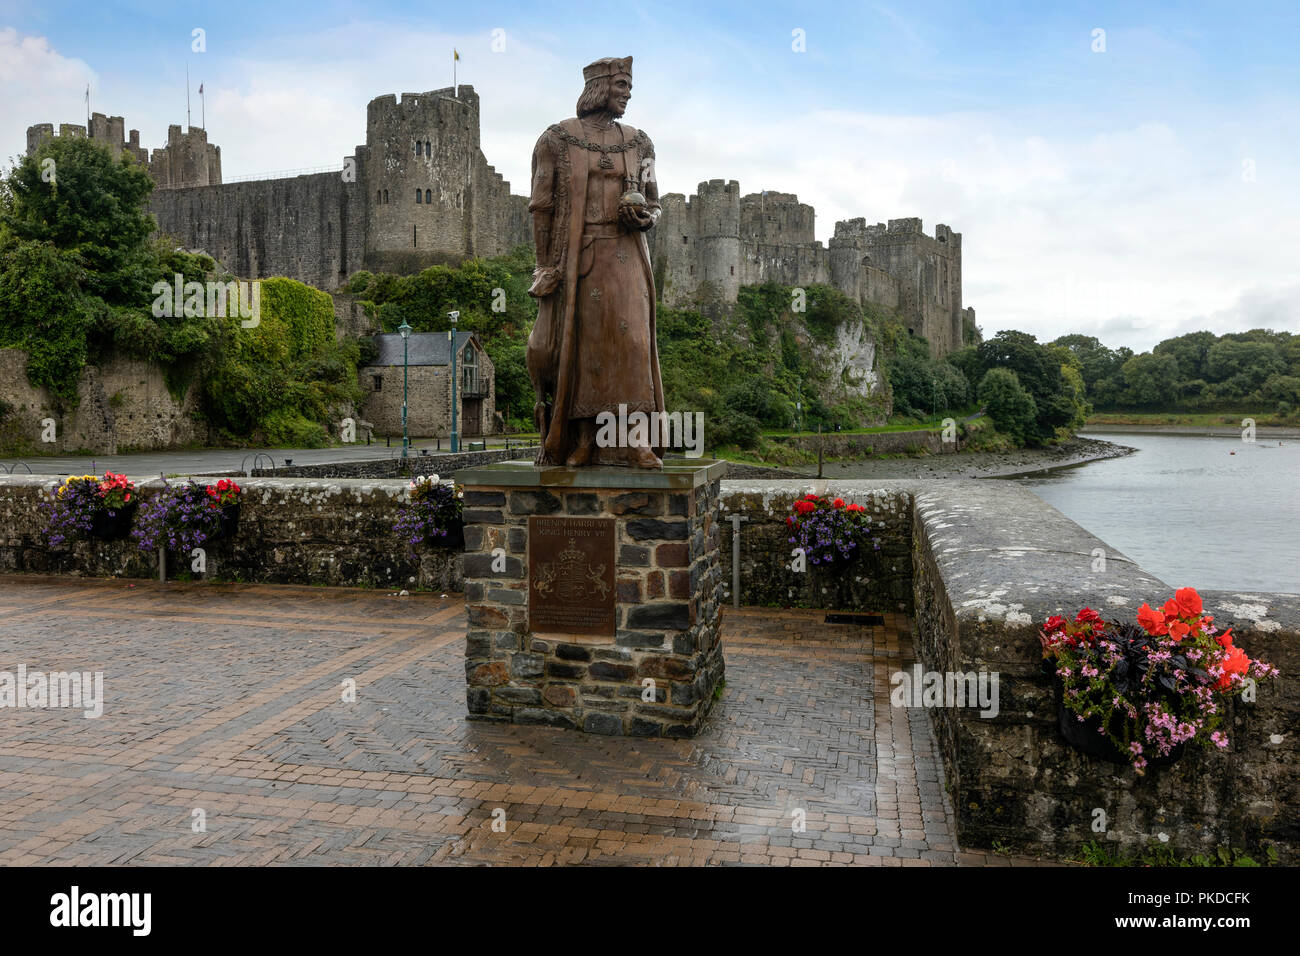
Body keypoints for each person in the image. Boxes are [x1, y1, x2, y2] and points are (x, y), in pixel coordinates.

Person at [525, 55, 667, 468]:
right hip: (580, 260)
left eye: (629, 87)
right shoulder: (556, 139)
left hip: (627, 260)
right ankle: (587, 438)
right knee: (585, 351)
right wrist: (544, 266)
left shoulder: (640, 142)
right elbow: (541, 207)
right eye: (621, 86)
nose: (627, 94)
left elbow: (656, 201)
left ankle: (636, 439)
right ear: (600, 87)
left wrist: (647, 216)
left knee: (633, 345)